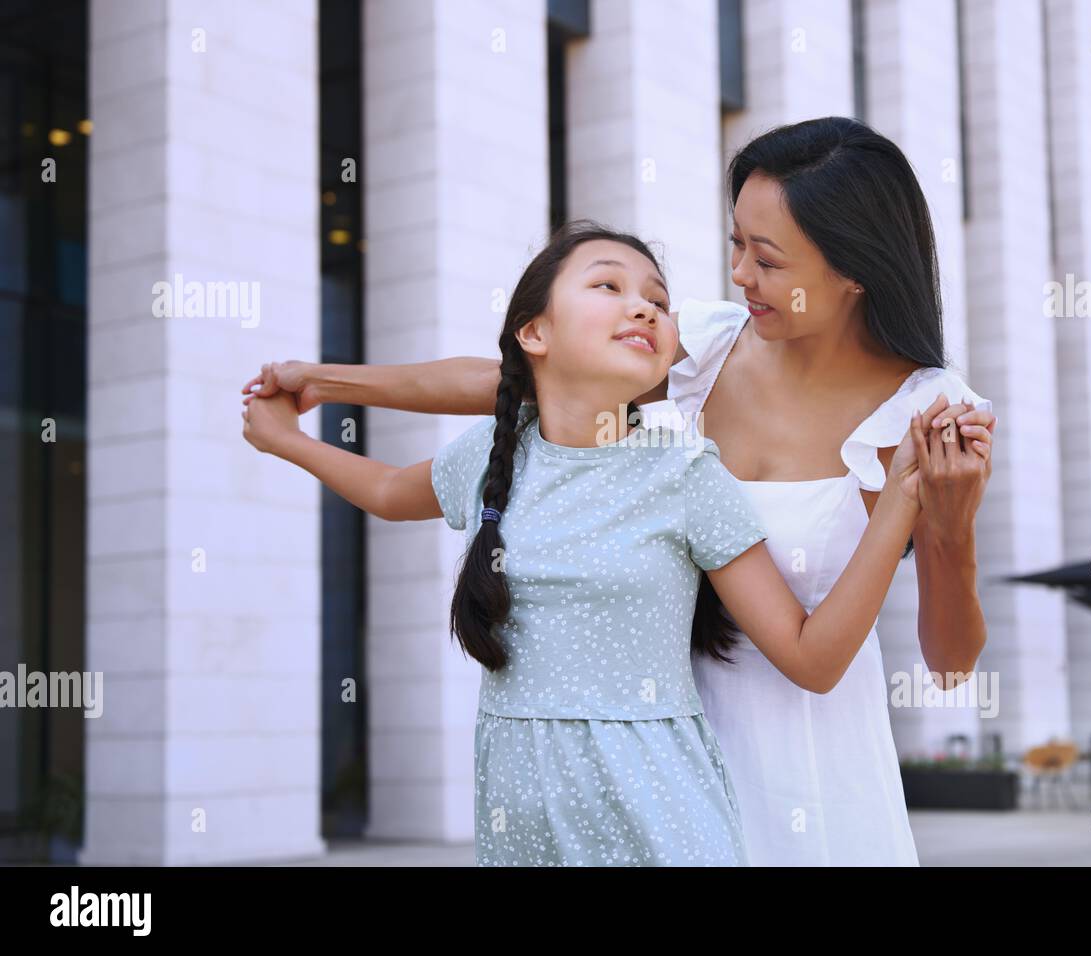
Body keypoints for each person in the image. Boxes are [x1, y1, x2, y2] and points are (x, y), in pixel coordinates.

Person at [241, 220, 931, 865]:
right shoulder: (498, 451)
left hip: (665, 825)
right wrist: (290, 439)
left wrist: (899, 500)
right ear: (534, 334)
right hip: (522, 822)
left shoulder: (688, 475)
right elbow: (392, 491)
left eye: (658, 300)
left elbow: (812, 658)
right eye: (609, 286)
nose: (645, 308)